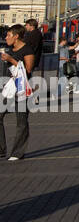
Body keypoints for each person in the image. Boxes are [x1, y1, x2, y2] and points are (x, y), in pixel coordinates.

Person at [1, 24, 40, 160]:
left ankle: (17, 152)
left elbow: (28, 70)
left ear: (16, 36)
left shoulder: (27, 49)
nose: (6, 37)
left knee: (21, 121)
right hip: (9, 88)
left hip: (23, 89)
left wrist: (11, 60)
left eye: (8, 35)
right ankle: (1, 150)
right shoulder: (10, 49)